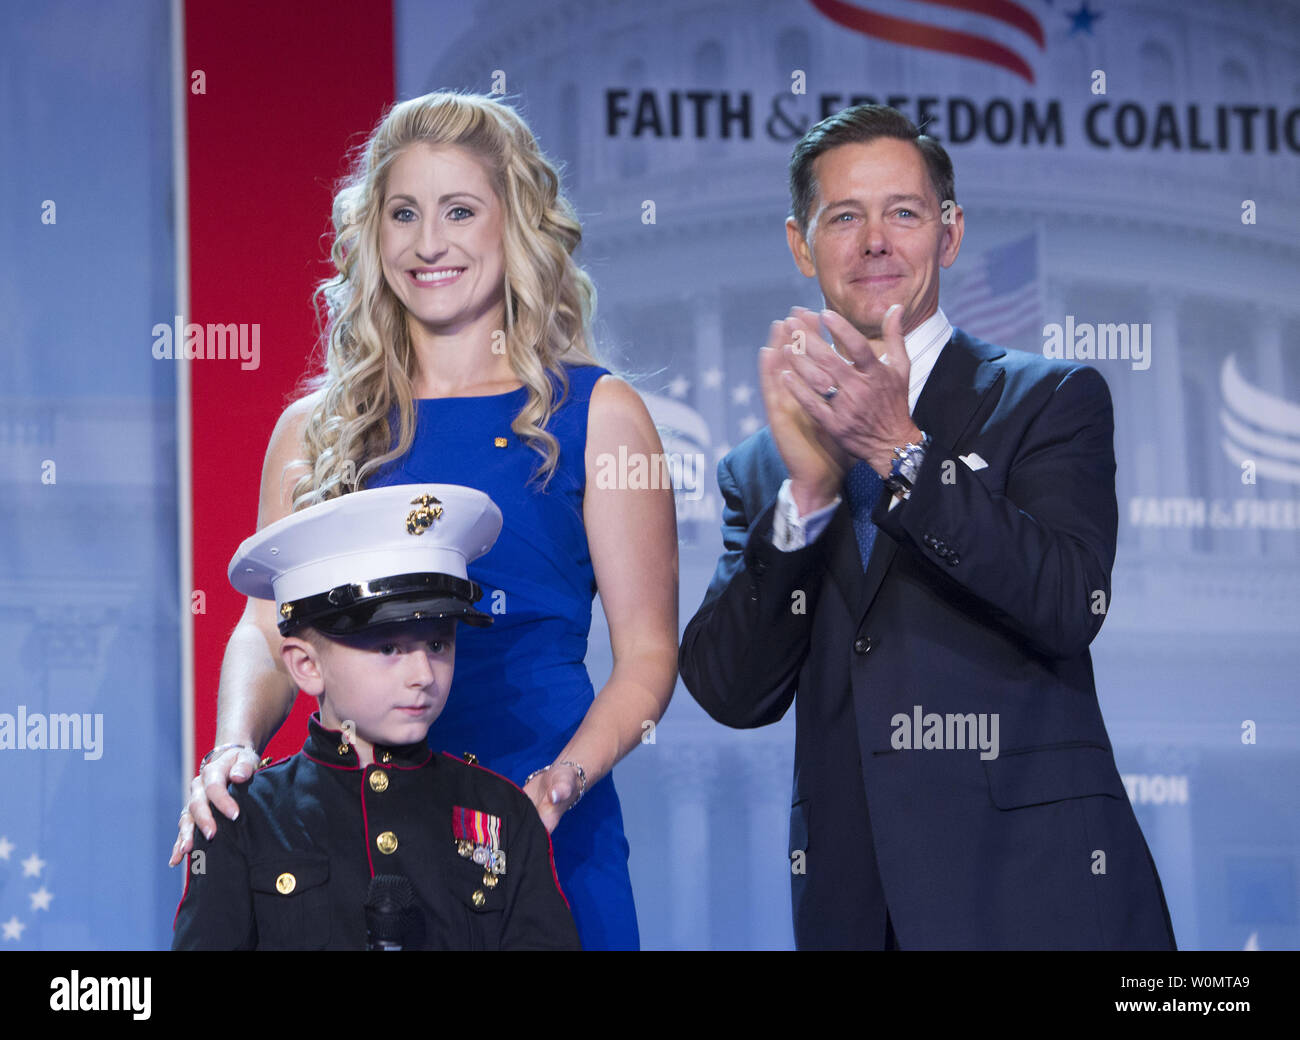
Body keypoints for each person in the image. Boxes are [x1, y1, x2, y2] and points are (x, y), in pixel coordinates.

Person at [170, 92, 678, 950]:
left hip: (544, 828)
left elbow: (649, 655)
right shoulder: (314, 428)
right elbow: (265, 625)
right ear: (374, 234)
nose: (428, 243)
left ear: (515, 226)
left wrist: (553, 791)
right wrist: (231, 750)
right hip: (352, 836)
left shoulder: (601, 413)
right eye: (403, 213)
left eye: (459, 211)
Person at [678, 104, 1176, 950]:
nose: (876, 241)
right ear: (801, 245)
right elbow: (732, 690)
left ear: (948, 234)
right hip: (858, 912)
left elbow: (1067, 599)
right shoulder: (761, 466)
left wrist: (901, 450)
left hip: (1039, 897)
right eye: (845, 217)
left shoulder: (1050, 400)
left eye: (903, 212)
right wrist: (804, 499)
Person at [172, 484, 581, 950]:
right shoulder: (243, 817)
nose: (423, 674)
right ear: (307, 665)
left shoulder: (503, 813)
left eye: (438, 644)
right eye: (389, 647)